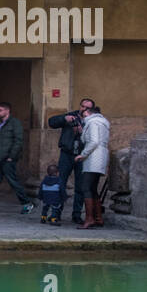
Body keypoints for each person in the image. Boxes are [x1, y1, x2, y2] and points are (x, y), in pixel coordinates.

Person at [0, 101, 34, 214]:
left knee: (13, 181)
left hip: (7, 158)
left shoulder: (15, 123)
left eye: (0, 110)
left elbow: (18, 141)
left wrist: (11, 156)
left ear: (7, 111)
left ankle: (27, 204)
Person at [48, 96, 94, 224]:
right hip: (66, 154)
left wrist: (82, 131)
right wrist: (64, 119)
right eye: (82, 106)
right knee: (60, 183)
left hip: (82, 156)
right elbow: (51, 122)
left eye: (87, 108)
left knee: (80, 186)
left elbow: (94, 139)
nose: (83, 109)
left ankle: (77, 215)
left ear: (91, 110)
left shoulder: (92, 121)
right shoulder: (71, 116)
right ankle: (56, 213)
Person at [75, 105, 111, 229]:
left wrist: (83, 154)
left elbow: (94, 141)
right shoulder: (102, 122)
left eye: (84, 114)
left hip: (93, 158)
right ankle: (98, 218)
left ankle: (89, 218)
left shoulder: (93, 122)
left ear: (89, 113)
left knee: (85, 187)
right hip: (100, 157)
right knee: (92, 188)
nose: (82, 116)